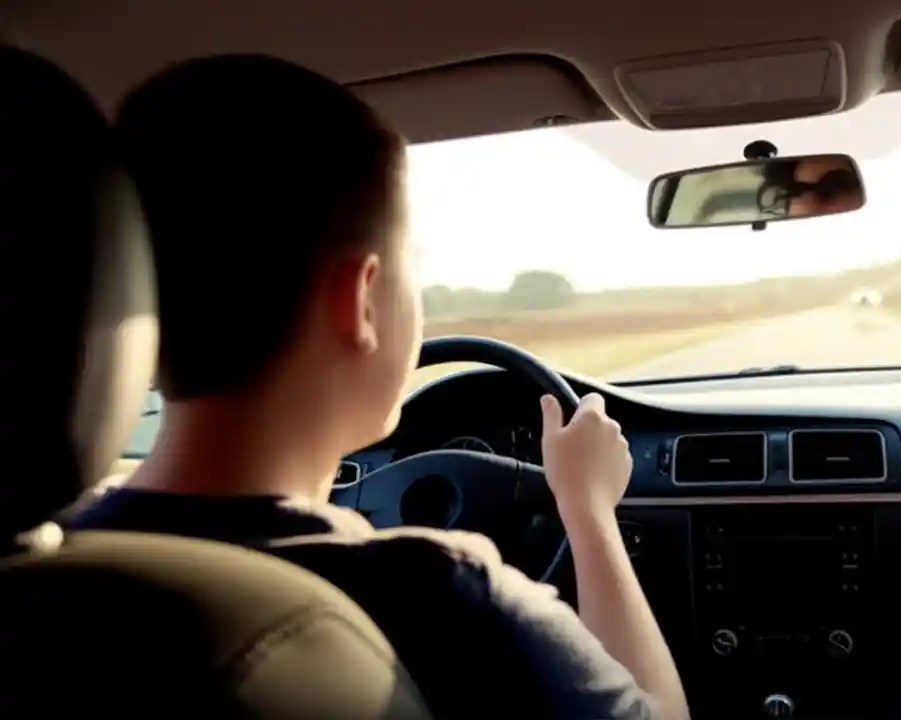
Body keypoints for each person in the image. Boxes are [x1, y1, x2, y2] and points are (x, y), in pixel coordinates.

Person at [66, 54, 688, 720]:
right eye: (408, 267)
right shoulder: (442, 595)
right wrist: (588, 514)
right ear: (360, 300)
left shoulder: (48, 573)